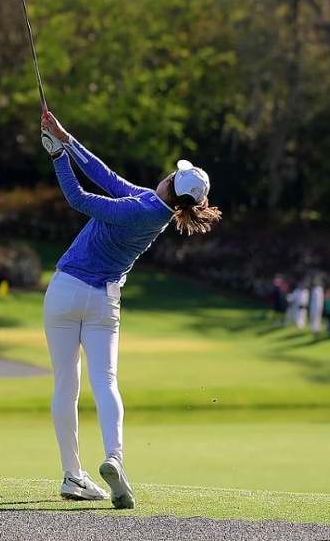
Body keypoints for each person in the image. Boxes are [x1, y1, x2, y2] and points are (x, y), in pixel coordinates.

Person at [39, 110, 221, 510]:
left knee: (66, 387)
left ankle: (73, 475)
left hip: (66, 292)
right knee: (105, 382)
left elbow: (79, 198)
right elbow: (105, 177)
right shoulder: (151, 205)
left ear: (171, 182)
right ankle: (114, 458)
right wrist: (65, 138)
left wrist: (57, 158)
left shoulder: (139, 210)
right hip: (104, 301)